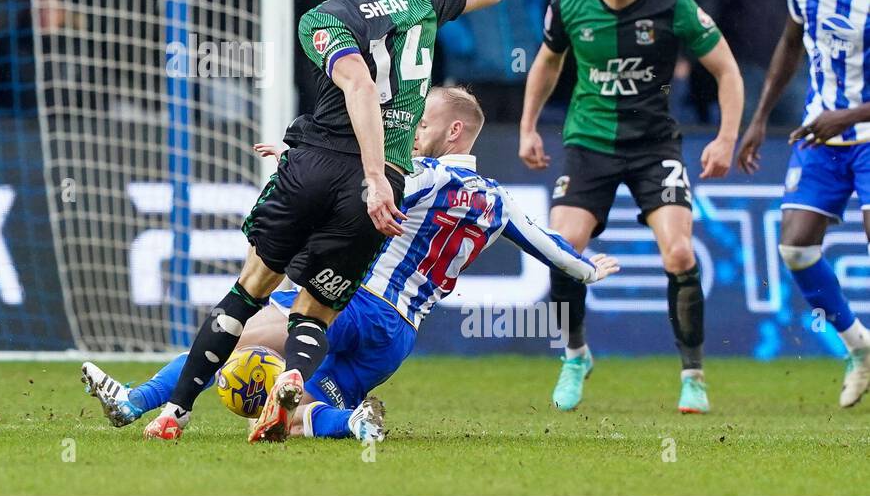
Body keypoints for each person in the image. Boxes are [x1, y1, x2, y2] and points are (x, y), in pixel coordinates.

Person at [82, 87, 619, 442]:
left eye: (424, 120)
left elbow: (350, 192)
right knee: (296, 419)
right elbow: (552, 249)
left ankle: (135, 403)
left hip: (352, 302)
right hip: (398, 335)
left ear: (453, 131)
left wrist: (298, 165)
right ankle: (358, 423)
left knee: (236, 342)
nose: (413, 129)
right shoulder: (499, 202)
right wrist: (589, 268)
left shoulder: (422, 176)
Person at [141, 0, 506, 443]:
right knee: (315, 313)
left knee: (247, 294)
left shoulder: (324, 18)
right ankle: (293, 376)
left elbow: (356, 81)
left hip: (314, 167)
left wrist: (369, 171)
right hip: (376, 185)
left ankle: (171, 415)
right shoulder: (418, 1)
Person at [519, 0, 744, 414]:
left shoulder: (672, 3)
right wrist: (528, 126)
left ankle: (693, 377)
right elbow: (547, 63)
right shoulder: (570, 5)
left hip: (654, 148)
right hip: (589, 144)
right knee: (562, 250)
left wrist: (726, 138)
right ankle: (576, 355)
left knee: (680, 254)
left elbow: (726, 69)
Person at [737, 0, 870, 409]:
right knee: (794, 245)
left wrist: (851, 115)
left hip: (861, 130)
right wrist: (759, 118)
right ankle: (858, 346)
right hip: (822, 133)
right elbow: (790, 44)